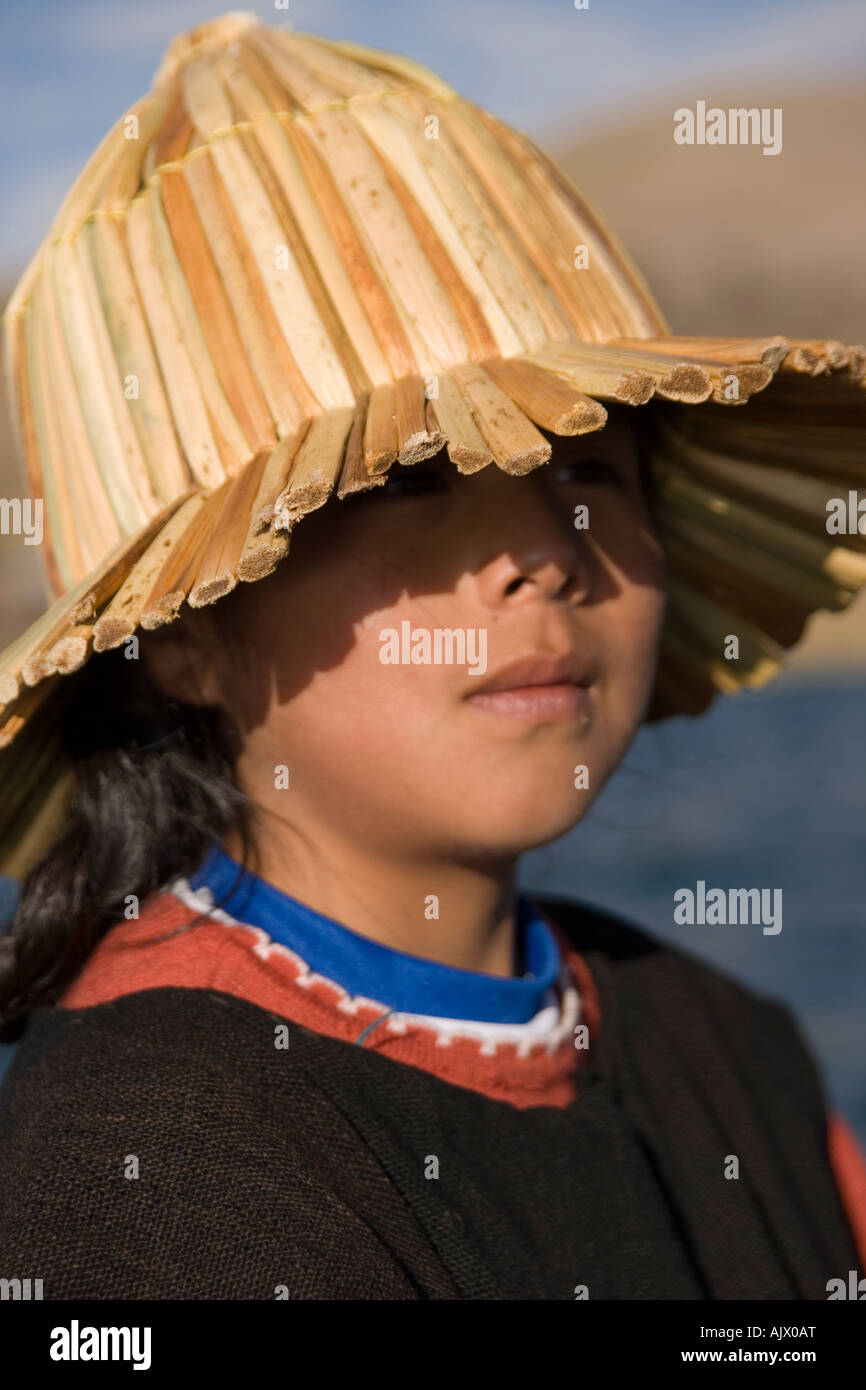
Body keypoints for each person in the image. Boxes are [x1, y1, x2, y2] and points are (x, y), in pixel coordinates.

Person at [0, 13, 864, 1300]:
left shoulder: (714, 1036)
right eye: (405, 483)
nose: (544, 551)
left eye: (585, 465)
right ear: (187, 639)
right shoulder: (139, 1180)